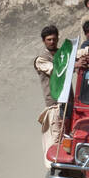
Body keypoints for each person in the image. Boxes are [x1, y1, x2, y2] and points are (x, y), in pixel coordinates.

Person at [34, 25, 66, 166]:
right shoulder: (41, 60)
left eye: (54, 39)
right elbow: (55, 70)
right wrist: (73, 64)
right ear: (44, 41)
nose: (52, 42)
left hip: (67, 105)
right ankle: (54, 170)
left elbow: (77, 54)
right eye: (49, 39)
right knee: (55, 140)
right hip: (54, 106)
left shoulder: (63, 54)